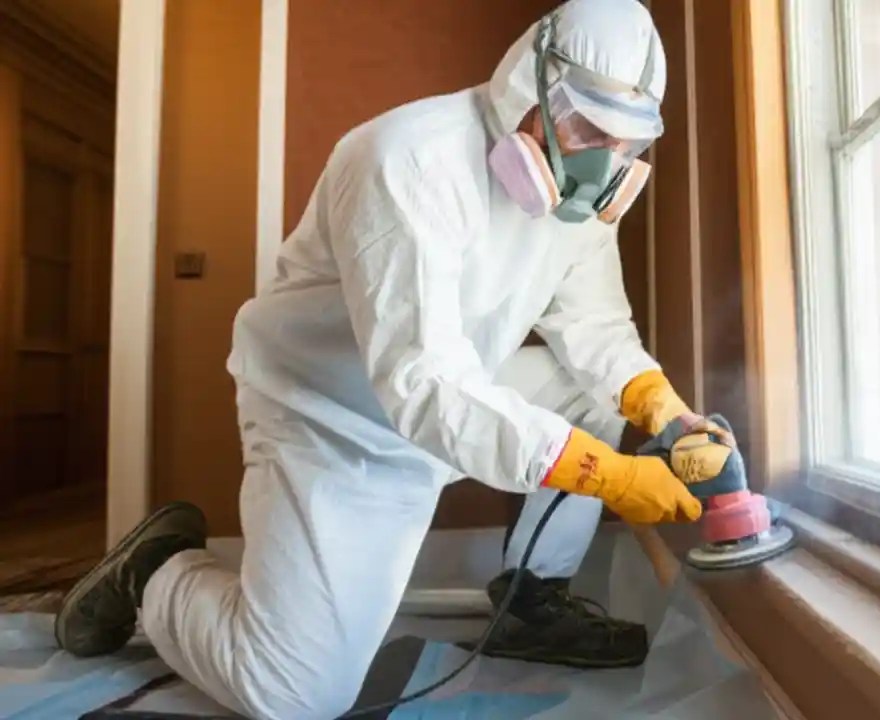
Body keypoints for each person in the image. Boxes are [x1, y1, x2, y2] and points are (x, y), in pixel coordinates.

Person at [53, 1, 732, 718]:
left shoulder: (577, 202)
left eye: (626, 143)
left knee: (592, 386)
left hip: (449, 389)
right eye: (589, 128)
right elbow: (423, 381)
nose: (606, 163)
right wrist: (608, 475)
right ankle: (155, 570)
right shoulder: (406, 159)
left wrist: (666, 409)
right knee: (295, 696)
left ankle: (536, 597)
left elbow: (595, 328)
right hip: (331, 419)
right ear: (527, 87)